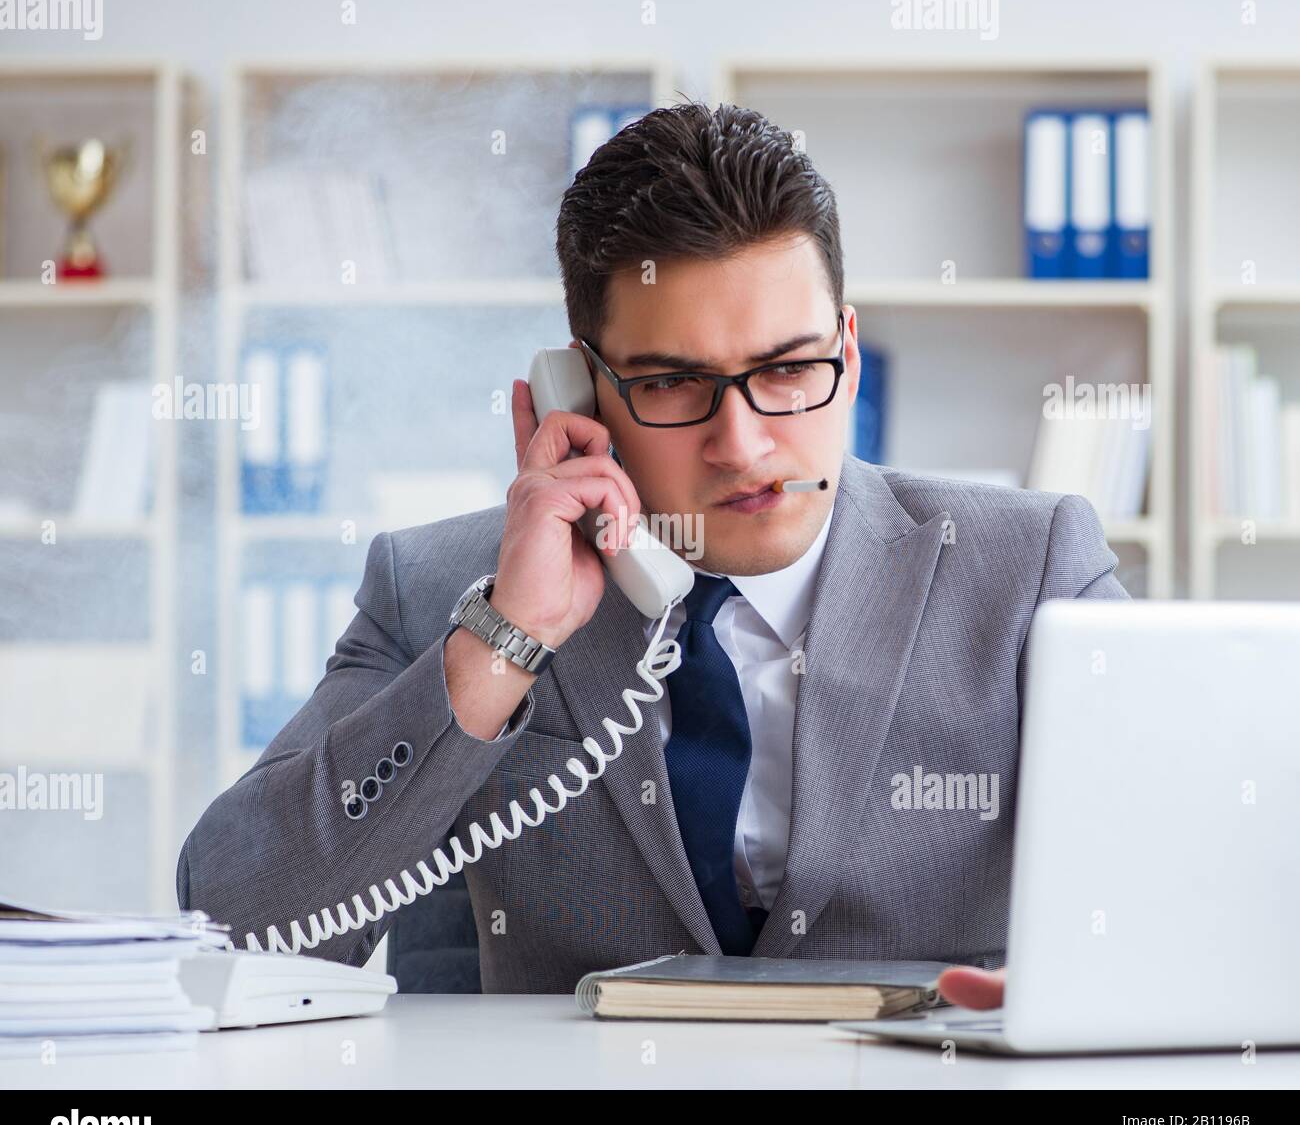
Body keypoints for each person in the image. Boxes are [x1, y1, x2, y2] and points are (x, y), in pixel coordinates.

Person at [177, 102, 1127, 1000]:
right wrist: (505, 641)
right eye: (673, 383)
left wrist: (1092, 980)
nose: (743, 445)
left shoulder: (1029, 573)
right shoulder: (440, 590)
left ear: (847, 356)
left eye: (789, 369)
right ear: (579, 390)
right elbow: (231, 931)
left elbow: (1186, 872)